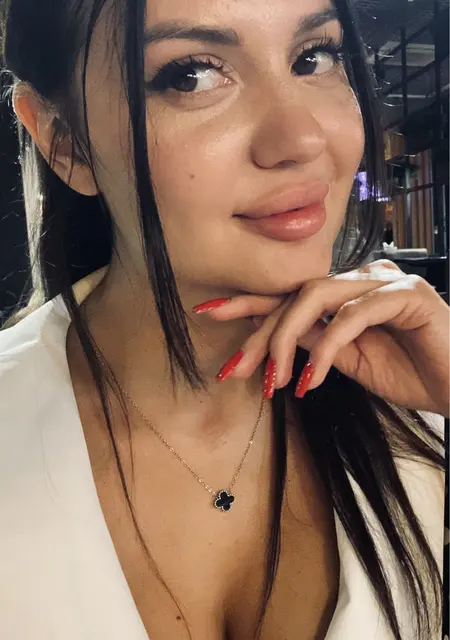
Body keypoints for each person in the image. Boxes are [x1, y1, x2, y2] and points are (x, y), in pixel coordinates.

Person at [0, 0, 448, 639]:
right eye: (191, 74)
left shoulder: (414, 396)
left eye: (313, 57)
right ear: (63, 141)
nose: (302, 140)